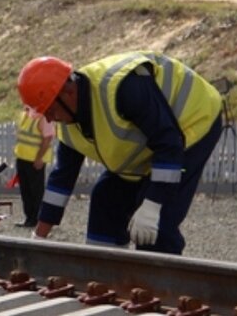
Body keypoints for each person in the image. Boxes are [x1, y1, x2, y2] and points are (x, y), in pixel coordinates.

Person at [18, 52, 224, 254]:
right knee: (106, 198)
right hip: (154, 143)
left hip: (193, 123)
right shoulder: (69, 123)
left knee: (156, 228)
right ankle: (105, 276)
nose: (51, 119)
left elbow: (169, 144)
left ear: (68, 92)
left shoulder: (124, 87)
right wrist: (39, 237)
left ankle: (160, 286)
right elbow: (61, 180)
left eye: (50, 111)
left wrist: (152, 206)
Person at [12, 109, 54, 227]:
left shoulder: (43, 117)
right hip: (22, 157)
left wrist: (39, 158)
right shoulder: (25, 114)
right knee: (26, 191)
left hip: (34, 160)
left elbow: (48, 138)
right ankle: (29, 218)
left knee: (36, 191)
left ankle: (37, 219)